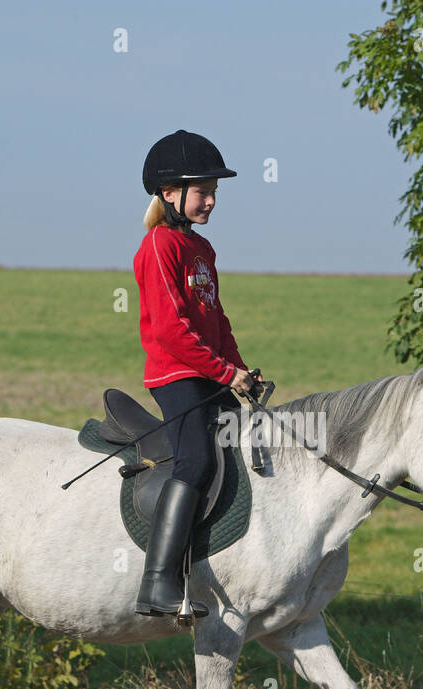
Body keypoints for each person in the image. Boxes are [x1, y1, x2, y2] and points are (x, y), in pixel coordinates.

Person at [133, 129, 262, 618]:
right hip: (176, 376)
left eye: (214, 192)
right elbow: (171, 329)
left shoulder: (202, 249)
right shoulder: (159, 246)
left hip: (211, 374)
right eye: (202, 192)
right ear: (169, 194)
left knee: (245, 451)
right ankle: (159, 584)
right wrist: (222, 371)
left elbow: (215, 319)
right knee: (196, 463)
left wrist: (239, 368)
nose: (211, 201)